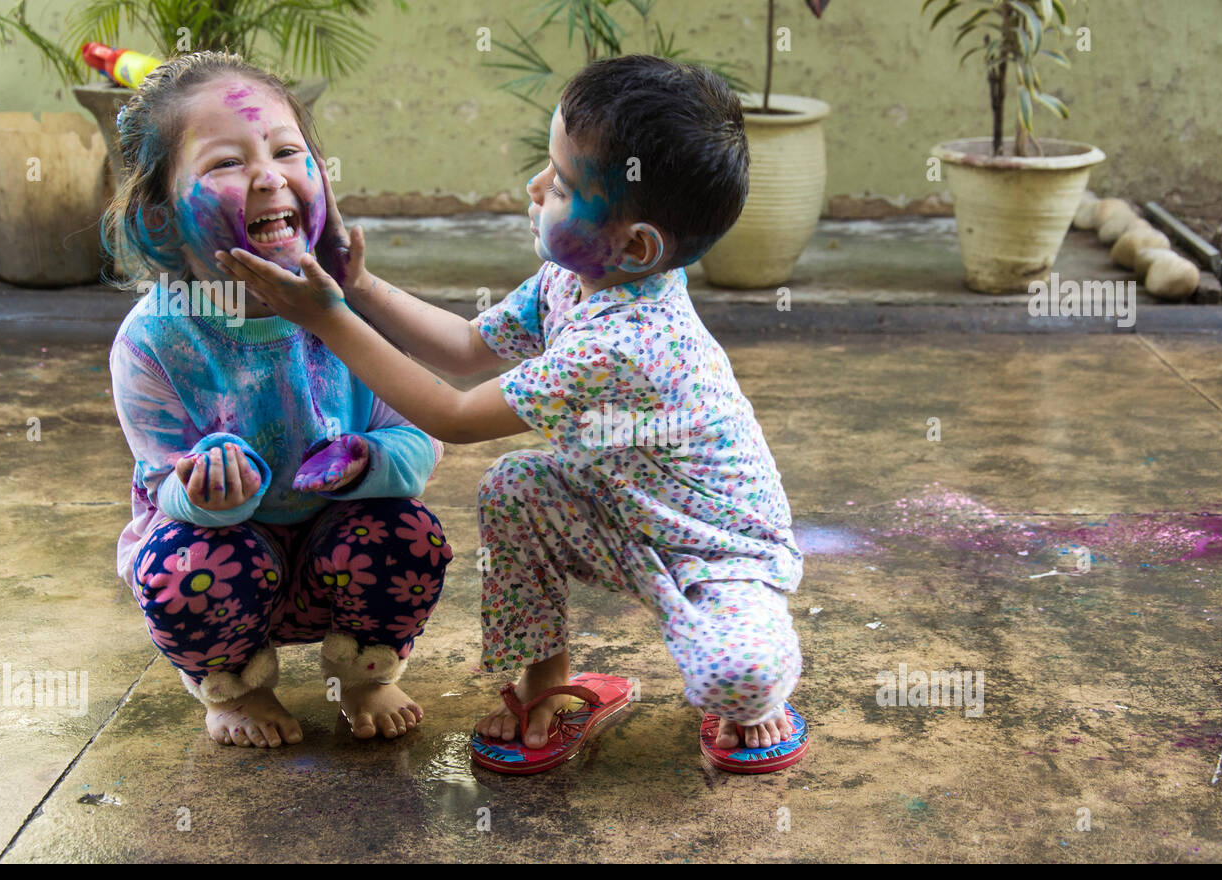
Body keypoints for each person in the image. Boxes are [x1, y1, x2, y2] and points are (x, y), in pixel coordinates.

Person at [218, 55, 807, 773]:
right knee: (517, 484)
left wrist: (329, 318)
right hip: (619, 515)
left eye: (559, 184)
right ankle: (547, 686)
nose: (535, 189)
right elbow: (466, 350)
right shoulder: (575, 276)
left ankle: (757, 685)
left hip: (716, 552)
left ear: (638, 244)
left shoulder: (629, 343)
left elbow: (457, 415)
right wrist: (360, 286)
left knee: (733, 678)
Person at [106, 52, 452, 747]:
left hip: (341, 552)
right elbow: (157, 484)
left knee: (411, 535)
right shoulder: (154, 341)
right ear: (161, 220)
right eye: (225, 163)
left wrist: (369, 461)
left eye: (287, 150)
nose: (268, 176)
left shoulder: (352, 306)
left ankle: (366, 673)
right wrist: (204, 491)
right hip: (231, 565)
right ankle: (234, 689)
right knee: (181, 566)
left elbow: (423, 437)